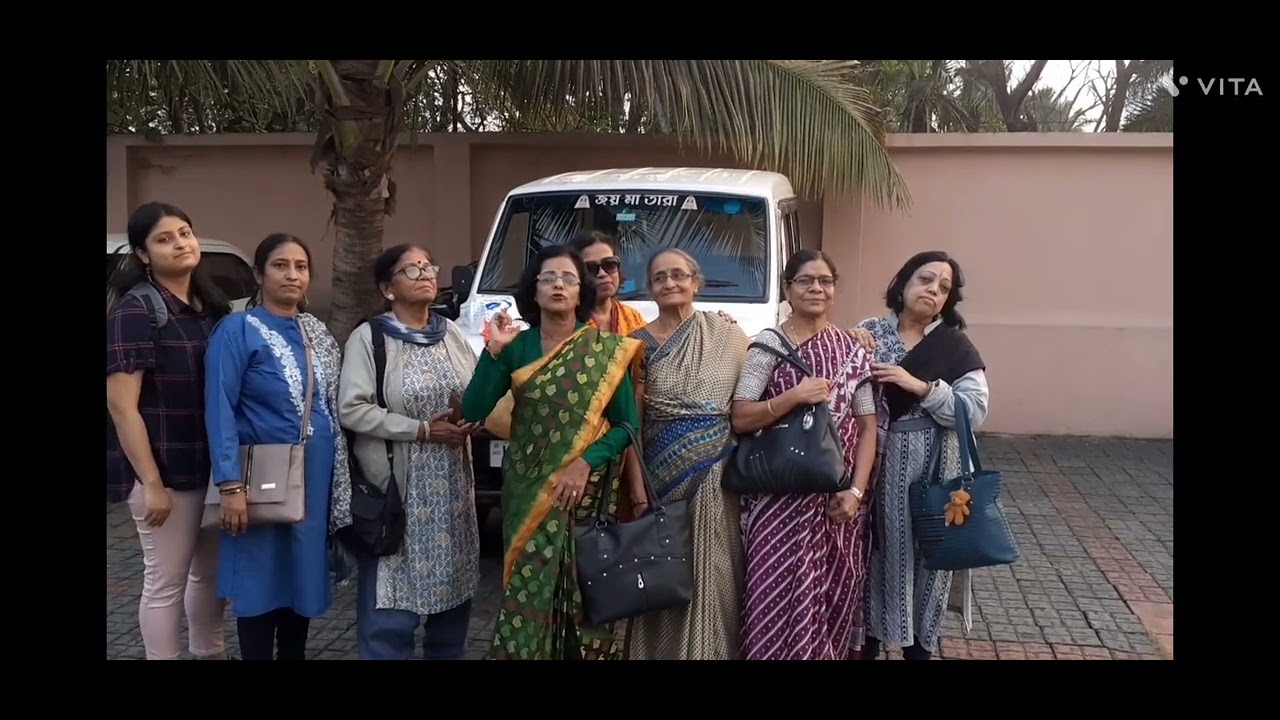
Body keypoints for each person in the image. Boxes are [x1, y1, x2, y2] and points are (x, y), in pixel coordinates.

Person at [460, 244, 642, 660]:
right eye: (548, 278)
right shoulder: (517, 347)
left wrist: (584, 463)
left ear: (582, 292)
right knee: (526, 594)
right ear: (533, 290)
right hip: (528, 492)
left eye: (569, 278)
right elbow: (473, 410)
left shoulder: (606, 351)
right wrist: (494, 352)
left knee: (582, 595)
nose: (558, 284)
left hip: (583, 495)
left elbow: (626, 427)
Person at [204, 233, 351, 661]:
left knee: (301, 578)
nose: (292, 274)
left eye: (301, 266)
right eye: (280, 265)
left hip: (316, 475)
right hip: (260, 477)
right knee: (259, 579)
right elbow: (219, 409)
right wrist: (230, 484)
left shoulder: (315, 332)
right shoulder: (237, 330)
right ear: (258, 274)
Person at [335, 244, 482, 660]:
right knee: (391, 617)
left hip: (453, 493)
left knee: (452, 605)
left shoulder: (450, 332)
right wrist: (419, 430)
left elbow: (474, 392)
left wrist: (470, 418)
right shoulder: (370, 338)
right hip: (400, 494)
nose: (424, 274)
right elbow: (352, 408)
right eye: (411, 269)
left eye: (428, 266)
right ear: (387, 288)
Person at [731, 249, 879, 660]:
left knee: (833, 598)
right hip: (776, 503)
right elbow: (741, 417)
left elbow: (867, 428)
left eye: (825, 281)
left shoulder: (852, 351)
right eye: (805, 281)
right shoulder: (768, 346)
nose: (816, 288)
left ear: (834, 289)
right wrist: (793, 397)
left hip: (836, 503)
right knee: (769, 597)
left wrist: (856, 492)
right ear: (788, 289)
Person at [106, 202, 232, 660]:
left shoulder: (210, 308)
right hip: (165, 473)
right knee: (166, 582)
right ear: (142, 253)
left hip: (214, 468)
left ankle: (210, 653)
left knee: (210, 576)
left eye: (185, 232)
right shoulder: (136, 311)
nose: (181, 243)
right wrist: (151, 484)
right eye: (165, 238)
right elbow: (122, 407)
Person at [850, 250, 989, 661]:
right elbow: (844, 388)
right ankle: (869, 643)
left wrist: (923, 387)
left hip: (936, 470)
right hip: (878, 467)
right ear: (904, 283)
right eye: (926, 279)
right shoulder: (870, 331)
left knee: (930, 558)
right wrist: (849, 345)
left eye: (944, 287)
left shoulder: (954, 346)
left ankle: (919, 651)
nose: (933, 290)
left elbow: (974, 412)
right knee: (876, 554)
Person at [624, 249, 750, 660]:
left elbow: (763, 376)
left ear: (696, 282)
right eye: (659, 277)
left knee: (715, 577)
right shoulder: (634, 346)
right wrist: (638, 491)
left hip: (717, 479)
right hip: (660, 479)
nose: (669, 283)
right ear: (650, 289)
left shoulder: (727, 335)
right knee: (661, 577)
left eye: (679, 275)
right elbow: (632, 426)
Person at [568, 230, 648, 336]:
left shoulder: (633, 318)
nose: (602, 274)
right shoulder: (567, 321)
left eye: (610, 264)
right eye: (591, 268)